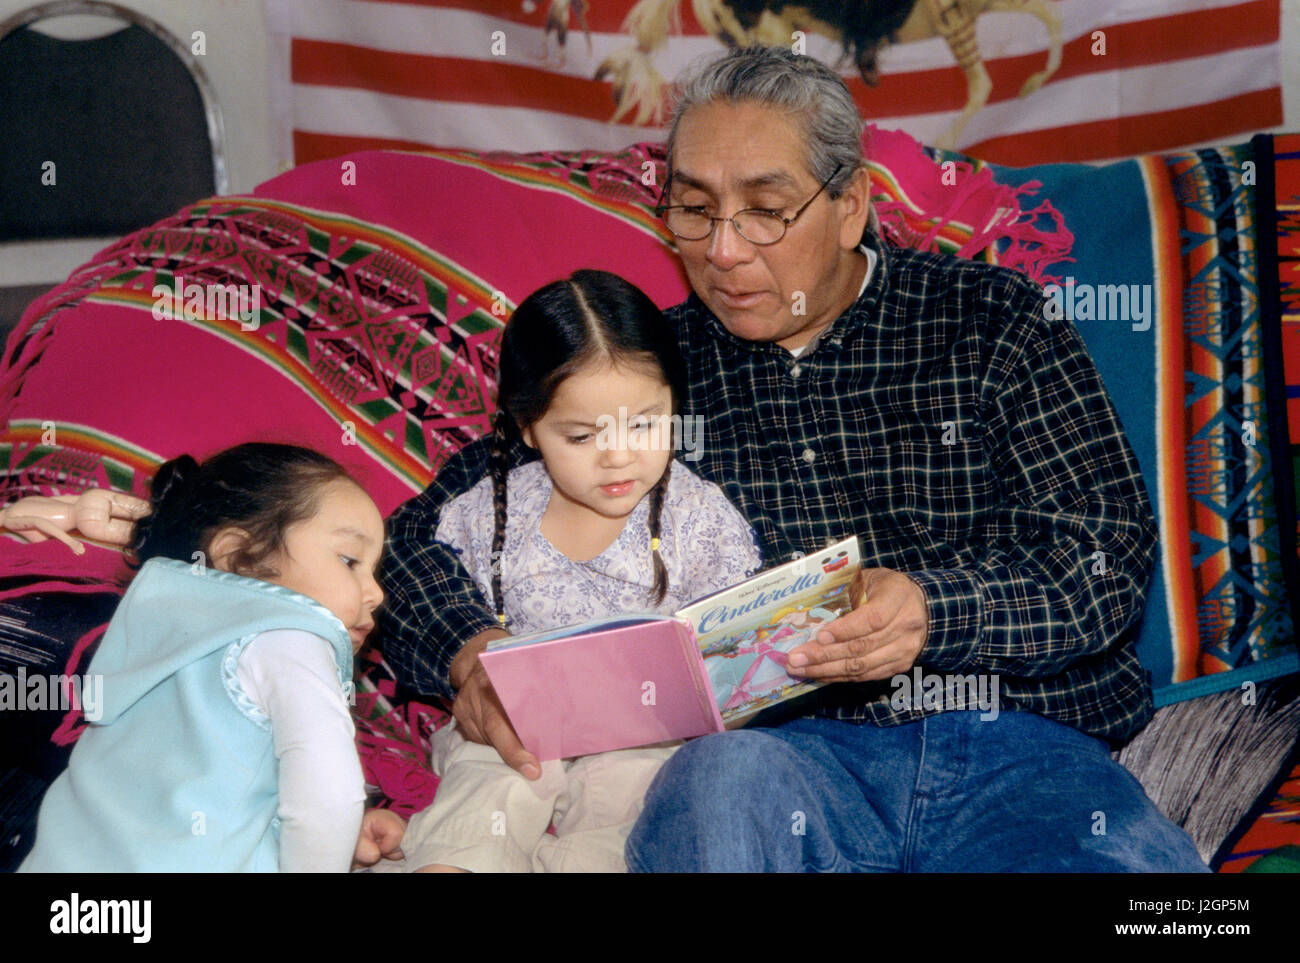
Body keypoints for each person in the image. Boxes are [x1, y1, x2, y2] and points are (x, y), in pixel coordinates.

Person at [379, 47, 1209, 872]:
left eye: (764, 211)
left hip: (1017, 752)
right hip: (781, 763)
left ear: (850, 206)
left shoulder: (993, 322)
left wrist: (934, 609)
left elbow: (1103, 556)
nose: (725, 250)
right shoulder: (647, 373)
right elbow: (415, 539)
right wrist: (472, 649)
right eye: (695, 211)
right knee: (712, 788)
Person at [390, 269, 761, 873]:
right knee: (492, 780)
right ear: (529, 426)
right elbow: (405, 564)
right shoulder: (489, 510)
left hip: (648, 735)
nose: (618, 454)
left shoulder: (700, 518)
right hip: (515, 732)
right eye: (582, 435)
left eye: (644, 423)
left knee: (635, 796)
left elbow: (730, 654)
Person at [19, 442, 400, 872]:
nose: (376, 593)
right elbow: (329, 794)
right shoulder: (294, 636)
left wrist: (344, 832)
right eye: (350, 561)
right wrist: (329, 840)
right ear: (241, 556)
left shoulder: (152, 618)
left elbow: (211, 783)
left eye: (374, 570)